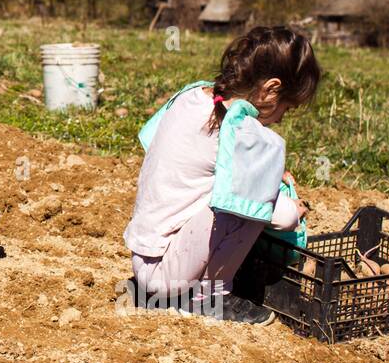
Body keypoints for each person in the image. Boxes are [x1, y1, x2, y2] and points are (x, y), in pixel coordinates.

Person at [123, 26, 321, 324]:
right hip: (168, 273)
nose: (281, 118)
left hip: (145, 257)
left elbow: (200, 162)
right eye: (287, 108)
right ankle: (208, 298)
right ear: (270, 89)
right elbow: (282, 218)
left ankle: (169, 292)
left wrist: (267, 172)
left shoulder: (196, 97)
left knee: (242, 193)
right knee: (247, 207)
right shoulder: (237, 130)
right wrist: (293, 207)